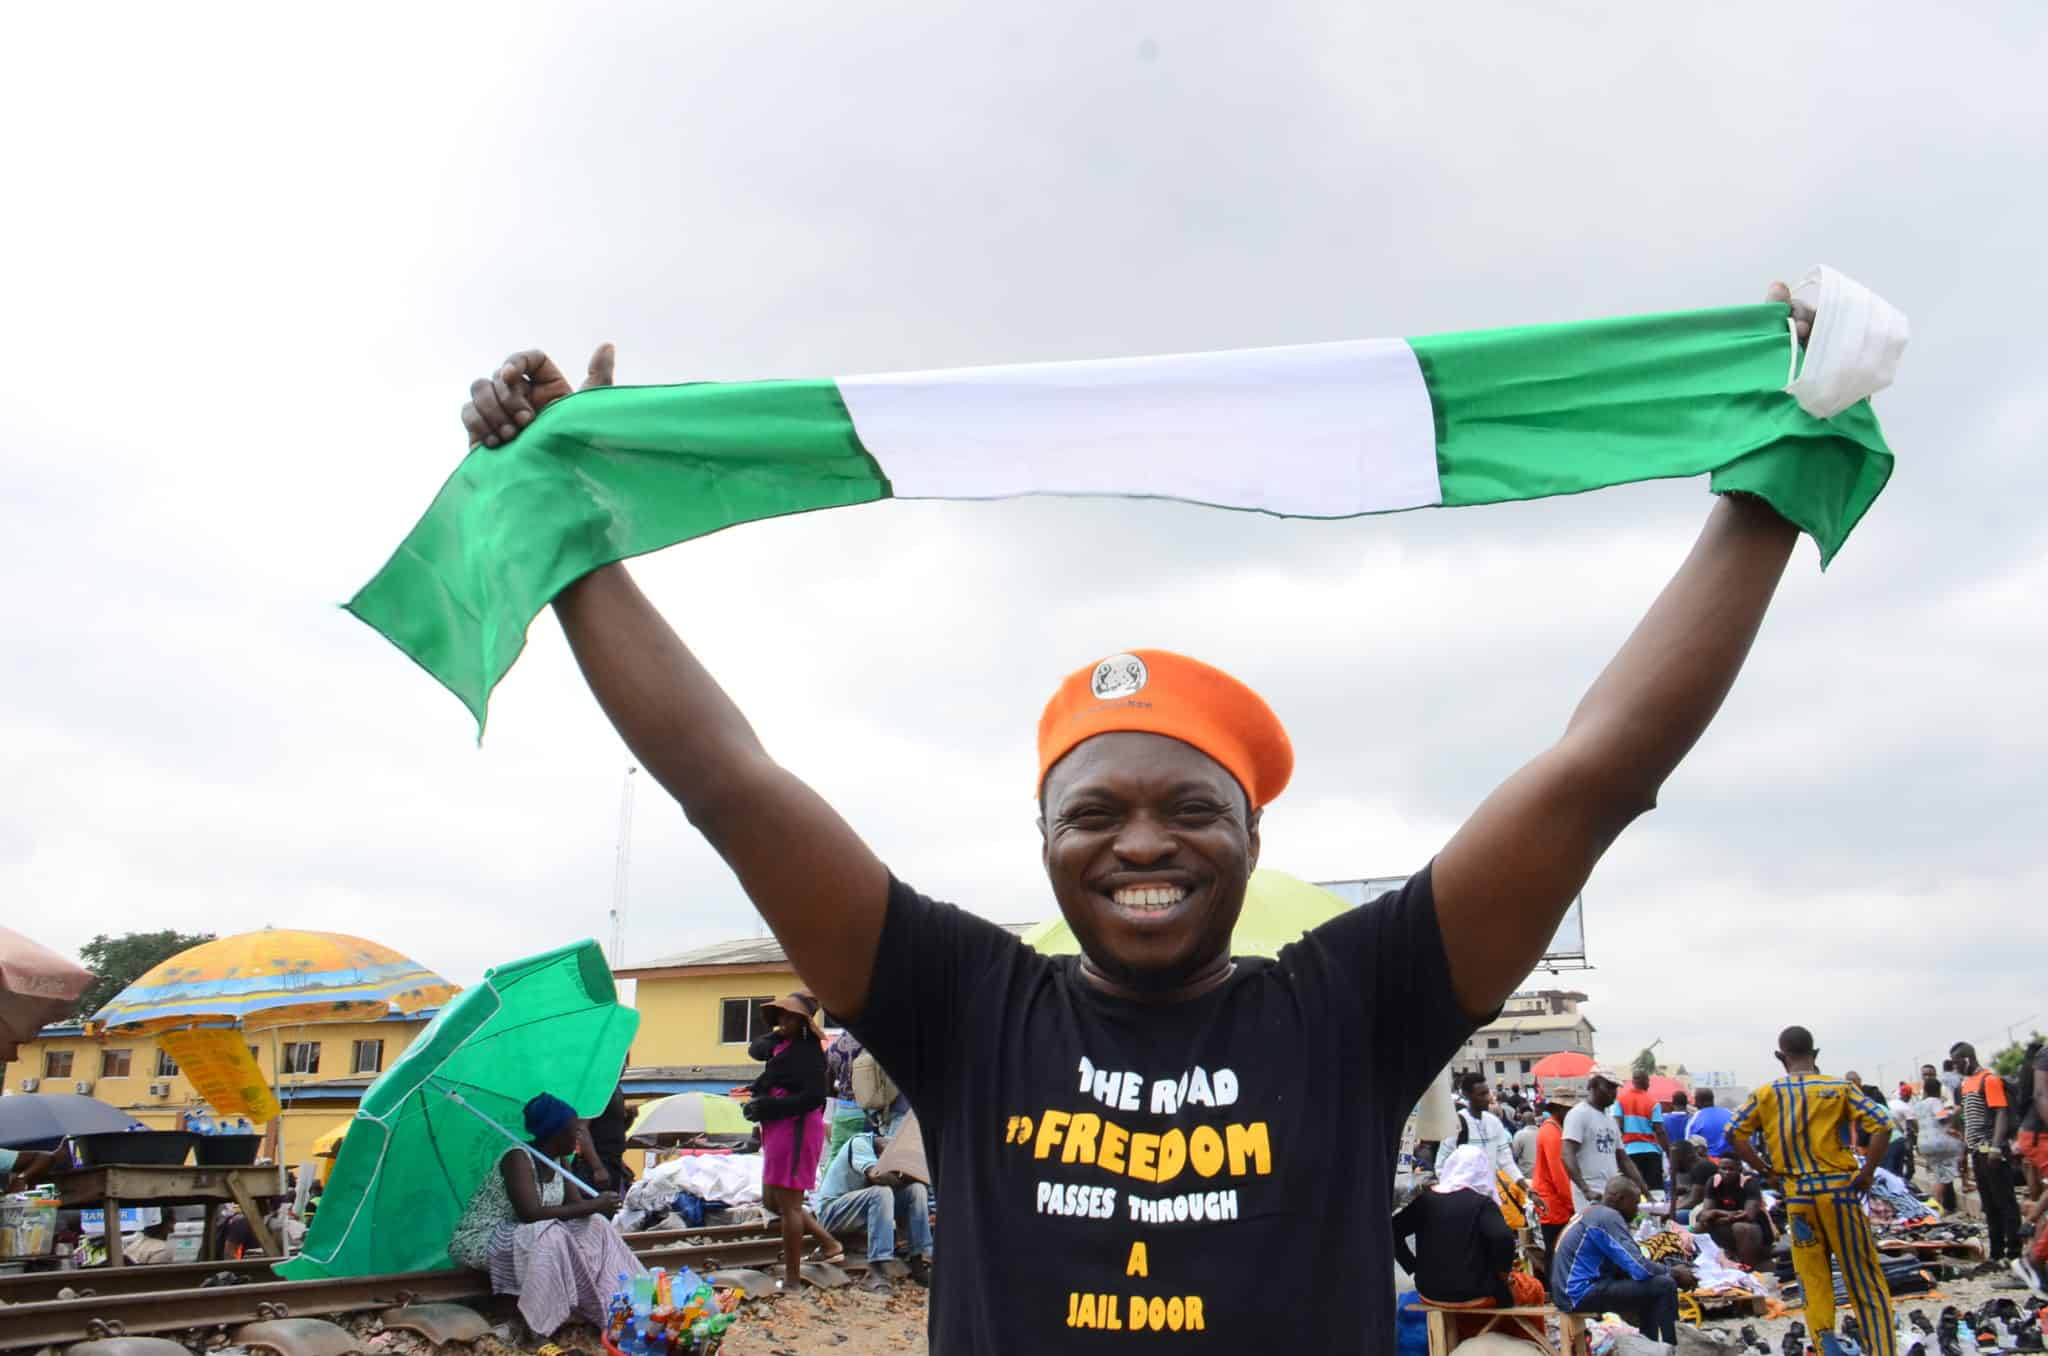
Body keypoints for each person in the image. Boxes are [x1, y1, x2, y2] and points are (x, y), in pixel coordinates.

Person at [453, 284, 1828, 1350]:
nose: (1142, 841)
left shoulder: (1355, 1004)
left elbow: (1595, 771)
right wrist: (577, 539)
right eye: (1094, 811)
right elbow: (728, 781)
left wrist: (1776, 474)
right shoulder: (963, 1004)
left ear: (1252, 836)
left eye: (1190, 807)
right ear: (1043, 839)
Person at [1731, 1026, 1896, 1356]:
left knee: (1814, 1280)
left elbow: (1734, 1132)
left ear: (1781, 1057)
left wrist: (1767, 1172)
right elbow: (1883, 1124)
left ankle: (1826, 1347)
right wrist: (1866, 1173)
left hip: (1799, 1196)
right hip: (1840, 1193)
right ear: (1815, 1054)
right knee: (1863, 1276)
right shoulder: (1839, 1087)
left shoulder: (1767, 1093)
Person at [448, 1092, 637, 1335]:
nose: (579, 1135)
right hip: (487, 1237)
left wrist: (600, 1206)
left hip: (528, 1236)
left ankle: (622, 1298)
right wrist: (594, 1204)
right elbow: (531, 1213)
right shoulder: (517, 1158)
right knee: (553, 1234)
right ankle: (540, 1324)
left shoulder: (560, 1160)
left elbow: (577, 1209)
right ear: (556, 1133)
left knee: (596, 1224)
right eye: (574, 1130)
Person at [744, 992, 839, 1287]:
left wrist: (769, 1106)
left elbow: (813, 1098)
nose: (784, 1021)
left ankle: (793, 1280)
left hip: (796, 1128)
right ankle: (829, 1244)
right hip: (778, 1128)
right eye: (781, 1016)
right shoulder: (782, 1044)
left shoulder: (809, 1054)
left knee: (790, 1205)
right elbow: (756, 1050)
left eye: (791, 1017)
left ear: (803, 1023)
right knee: (774, 1200)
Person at [1393, 1145, 1545, 1320]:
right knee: (1534, 1288)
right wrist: (1502, 1275)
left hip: (1429, 1291)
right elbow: (1503, 1238)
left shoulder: (1426, 1200)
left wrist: (1413, 1266)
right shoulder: (1482, 1204)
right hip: (1477, 1292)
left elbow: (1393, 1230)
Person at [1548, 1179, 1693, 1345]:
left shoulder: (1591, 1212)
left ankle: (1649, 1347)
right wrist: (1675, 1272)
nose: (1636, 1209)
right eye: (1635, 1203)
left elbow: (1629, 1266)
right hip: (1578, 1294)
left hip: (1568, 1292)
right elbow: (1639, 1267)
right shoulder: (1608, 1217)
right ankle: (1672, 1348)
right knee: (1665, 1284)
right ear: (1619, 1198)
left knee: (1650, 1286)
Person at [809, 1127, 933, 1292]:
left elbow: (919, 1182)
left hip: (860, 1213)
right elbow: (877, 1177)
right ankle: (877, 1269)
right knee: (881, 1191)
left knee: (916, 1190)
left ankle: (918, 1262)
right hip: (833, 1213)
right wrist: (906, 1175)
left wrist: (914, 1176)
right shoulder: (860, 1143)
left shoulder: (886, 1150)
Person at [1953, 1040, 2020, 1262]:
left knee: (2005, 1202)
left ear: (1967, 1059)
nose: (1955, 1068)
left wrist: (1995, 1146)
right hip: (1976, 1151)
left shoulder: (1988, 1080)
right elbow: (1968, 1121)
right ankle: (1996, 1254)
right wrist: (1964, 1150)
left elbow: (2000, 1112)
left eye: (1957, 1063)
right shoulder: (1966, 1085)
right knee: (1990, 1204)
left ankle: (2013, 1254)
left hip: (1991, 1150)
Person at [1564, 1068, 1645, 1211]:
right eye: (1608, 1087)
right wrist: (1585, 1189)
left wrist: (1645, 1191)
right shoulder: (1578, 1114)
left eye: (1615, 1088)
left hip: (1611, 1194)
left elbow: (1623, 1159)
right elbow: (1567, 1154)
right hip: (1591, 1195)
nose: (1613, 1093)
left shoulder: (1610, 1119)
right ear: (1593, 1086)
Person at [1683, 1147, 1775, 1269]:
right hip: (1726, 1224)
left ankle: (1748, 1266)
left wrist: (1717, 1215)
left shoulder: (1749, 1183)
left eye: (1731, 1169)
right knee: (1699, 1226)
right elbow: (1706, 1214)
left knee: (1741, 1227)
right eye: (1723, 1169)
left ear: (1740, 1170)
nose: (1726, 1172)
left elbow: (1749, 1215)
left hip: (1756, 1229)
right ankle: (1705, 1264)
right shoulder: (1713, 1182)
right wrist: (1720, 1213)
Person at [1438, 1073, 1528, 1195]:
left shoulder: (1494, 1122)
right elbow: (1441, 1166)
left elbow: (1506, 1161)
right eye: (1481, 1094)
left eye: (1487, 1093)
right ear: (1467, 1095)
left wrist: (1528, 1189)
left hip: (1491, 1199)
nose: (1488, 1098)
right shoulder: (1456, 1124)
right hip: (1465, 1201)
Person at [2015, 1041, 2048, 1294]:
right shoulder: (2046, 1055)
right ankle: (2033, 1259)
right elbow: (2040, 1094)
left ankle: (2034, 1251)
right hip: (2040, 1135)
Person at [1530, 1092, 1578, 1265]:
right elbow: (1559, 1175)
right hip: (1554, 1203)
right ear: (1559, 1110)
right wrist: (1574, 1205)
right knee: (1557, 1251)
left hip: (1553, 1200)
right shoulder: (1552, 1133)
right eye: (1569, 1110)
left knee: (1556, 1250)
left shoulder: (1553, 1128)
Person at [1911, 1075, 1963, 1213]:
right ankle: (1937, 1205)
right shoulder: (1935, 1102)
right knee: (1960, 1148)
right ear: (1938, 1090)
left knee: (1937, 1174)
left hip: (1923, 1142)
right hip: (1938, 1142)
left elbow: (1917, 1122)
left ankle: (1936, 1206)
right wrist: (1955, 1111)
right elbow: (1941, 1117)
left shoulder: (1918, 1105)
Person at [1616, 1069, 1669, 1194]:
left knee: (1632, 1191)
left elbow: (1618, 1126)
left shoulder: (1620, 1100)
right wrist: (1668, 1151)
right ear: (1646, 1082)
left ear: (1633, 1082)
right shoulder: (1653, 1102)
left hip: (1628, 1154)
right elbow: (1659, 1130)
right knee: (1655, 1191)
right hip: (1651, 1152)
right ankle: (1655, 1213)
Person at [1684, 1087, 1736, 1159]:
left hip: (1708, 1164)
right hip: (1730, 1162)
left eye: (1695, 1100)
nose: (1694, 1104)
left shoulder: (1695, 1119)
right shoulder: (1731, 1115)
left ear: (1699, 1101)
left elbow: (1688, 1145)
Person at [1511, 1108, 1543, 1179]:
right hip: (1542, 1174)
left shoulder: (1520, 1134)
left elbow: (1514, 1154)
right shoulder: (1543, 1133)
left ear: (1523, 1122)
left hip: (1526, 1174)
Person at [1662, 1091, 1691, 1159]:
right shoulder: (1692, 1119)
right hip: (1687, 1156)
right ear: (1686, 1104)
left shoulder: (1663, 1119)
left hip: (1669, 1156)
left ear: (1672, 1104)